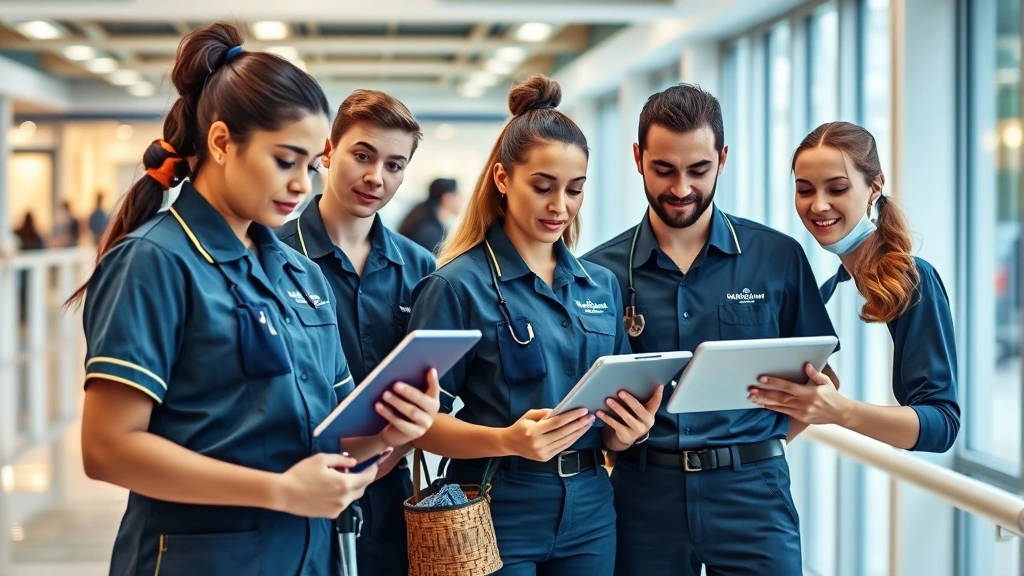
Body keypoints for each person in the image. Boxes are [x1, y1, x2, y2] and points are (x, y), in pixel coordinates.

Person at [67, 23, 439, 576]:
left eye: (311, 166)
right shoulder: (156, 261)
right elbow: (108, 449)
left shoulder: (301, 273)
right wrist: (280, 491)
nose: (301, 186)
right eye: (284, 160)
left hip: (310, 556)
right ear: (221, 142)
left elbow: (337, 442)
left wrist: (390, 435)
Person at [407, 75, 661, 576]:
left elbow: (608, 414)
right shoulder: (456, 286)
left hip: (590, 506)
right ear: (502, 179)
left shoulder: (600, 286)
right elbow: (417, 424)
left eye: (574, 190)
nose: (559, 207)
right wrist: (508, 439)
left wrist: (629, 432)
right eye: (542, 187)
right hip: (494, 502)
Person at [582, 83, 840, 576]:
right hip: (641, 498)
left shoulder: (777, 257)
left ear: (722, 158)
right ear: (638, 158)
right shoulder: (596, 275)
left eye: (698, 170)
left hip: (753, 496)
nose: (681, 189)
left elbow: (821, 381)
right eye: (664, 169)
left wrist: (760, 446)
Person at [276, 88, 437, 575]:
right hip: (296, 481)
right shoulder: (274, 256)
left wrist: (394, 449)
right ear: (327, 152)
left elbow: (432, 384)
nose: (376, 177)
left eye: (394, 164)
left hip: (389, 494)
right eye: (362, 156)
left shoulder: (420, 266)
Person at [749, 121, 960, 453]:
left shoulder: (913, 282)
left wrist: (840, 411)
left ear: (874, 188)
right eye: (805, 190)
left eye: (837, 188)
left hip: (897, 491)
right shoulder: (828, 291)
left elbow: (943, 425)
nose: (817, 205)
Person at [397, 177, 461, 253]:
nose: (462, 200)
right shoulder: (430, 232)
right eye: (459, 196)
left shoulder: (424, 218)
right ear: (447, 198)